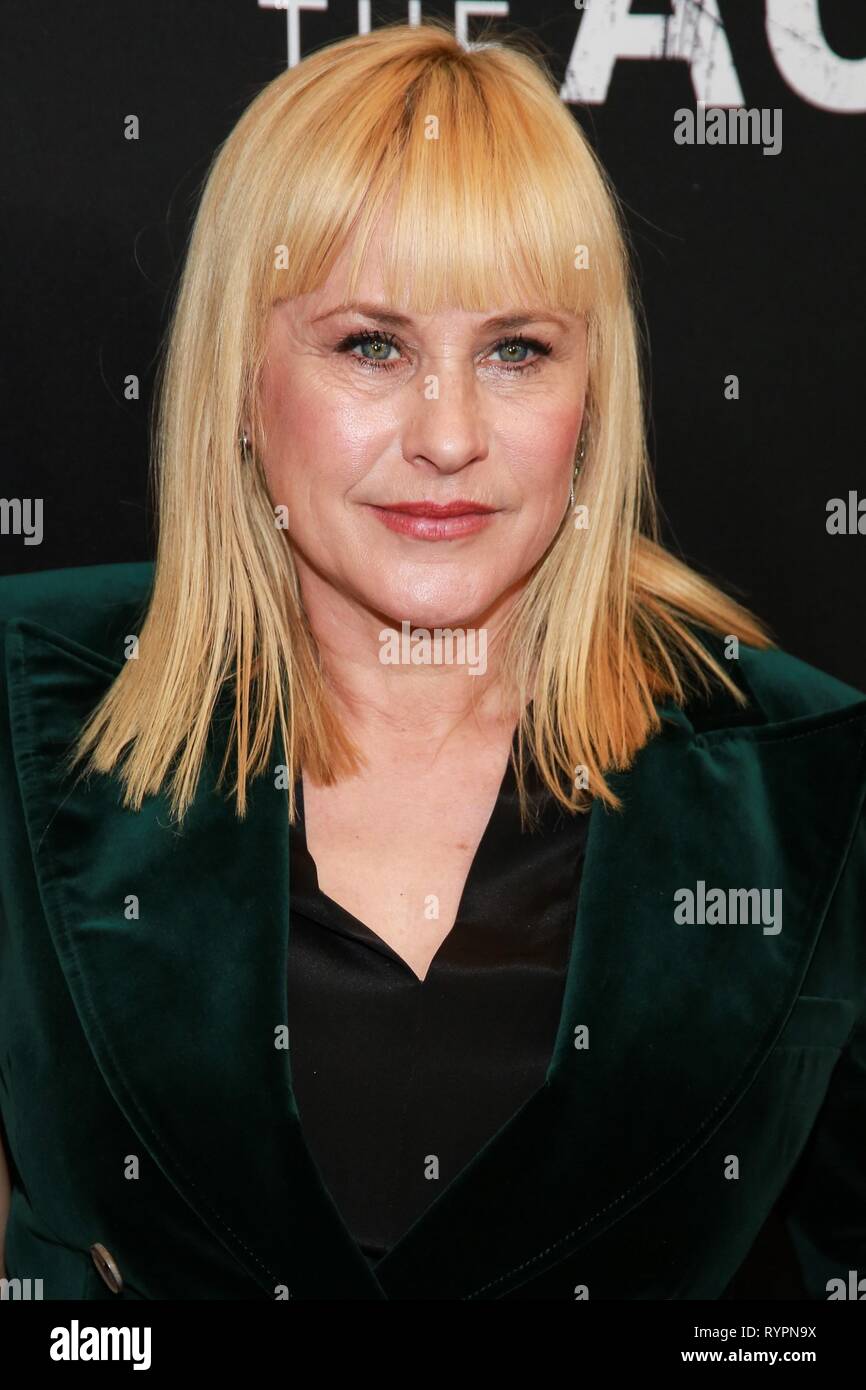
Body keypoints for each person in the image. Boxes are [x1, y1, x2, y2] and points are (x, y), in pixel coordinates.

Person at [1, 19, 864, 1302]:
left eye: (515, 350)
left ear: (592, 394)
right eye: (371, 346)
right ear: (239, 377)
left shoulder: (815, 788)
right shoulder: (29, 712)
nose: (448, 435)